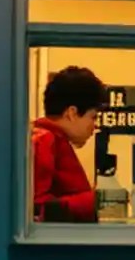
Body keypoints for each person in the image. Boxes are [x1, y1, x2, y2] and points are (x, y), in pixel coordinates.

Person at [32, 66, 106, 222]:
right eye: (93, 117)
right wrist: (90, 201)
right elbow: (36, 209)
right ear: (72, 113)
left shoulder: (52, 140)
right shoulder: (44, 141)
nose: (94, 125)